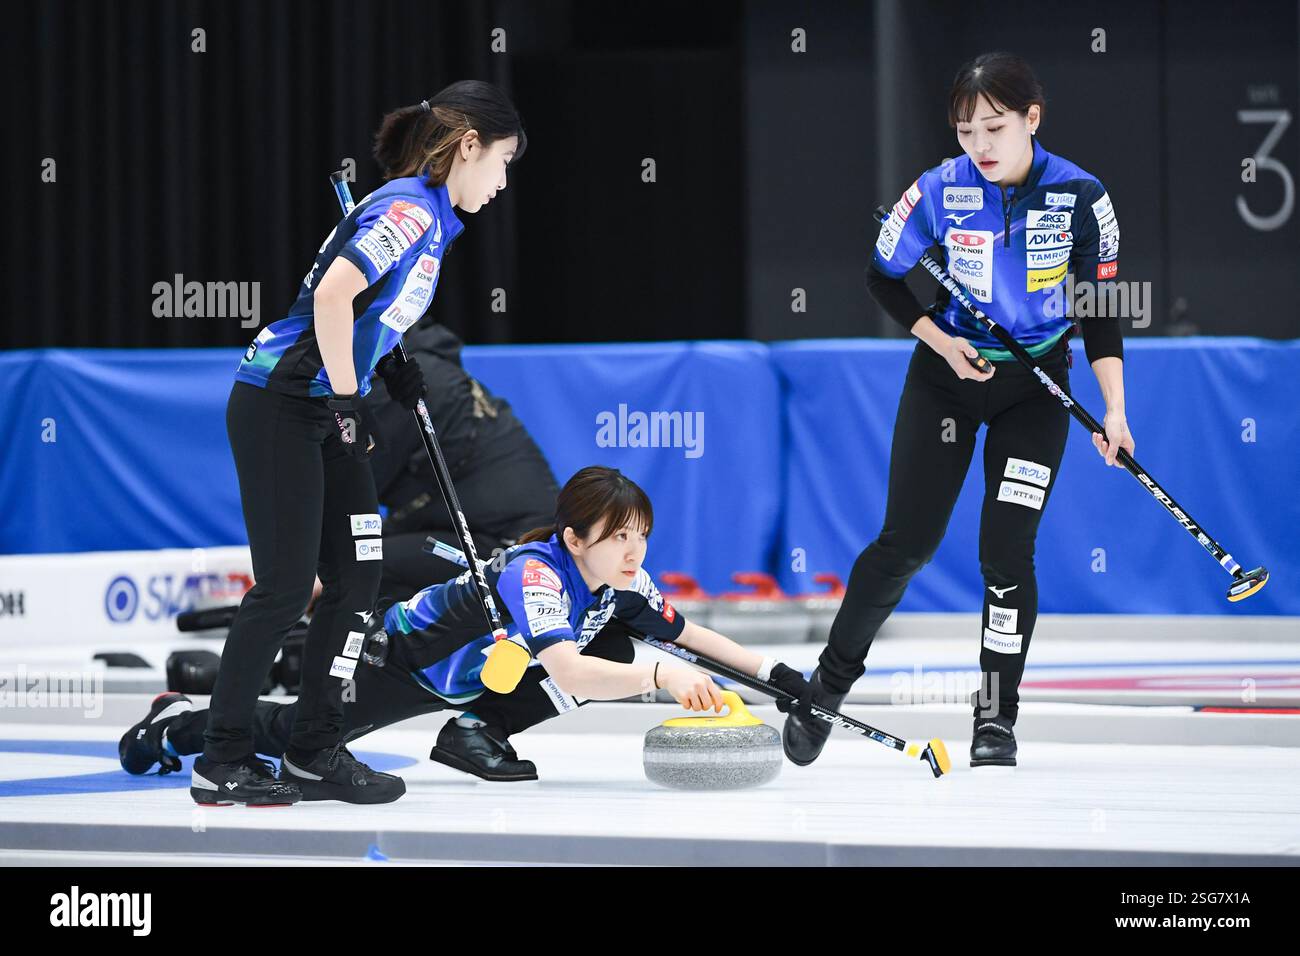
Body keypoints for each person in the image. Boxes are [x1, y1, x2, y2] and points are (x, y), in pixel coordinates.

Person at [784, 52, 1133, 769]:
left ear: (1033, 120)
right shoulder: (939, 191)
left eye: (995, 127)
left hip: (1037, 390)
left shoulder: (1081, 196)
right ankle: (827, 686)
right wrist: (941, 342)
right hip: (947, 381)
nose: (981, 144)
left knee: (1006, 556)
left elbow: (1100, 314)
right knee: (905, 545)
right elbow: (883, 278)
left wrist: (1115, 412)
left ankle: (996, 719)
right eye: (967, 129)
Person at [194, 80, 527, 806]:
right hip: (281, 402)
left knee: (358, 579)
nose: (503, 183)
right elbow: (330, 297)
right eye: (502, 162)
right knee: (285, 589)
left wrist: (390, 362)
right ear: (468, 147)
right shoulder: (408, 210)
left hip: (324, 406)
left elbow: (370, 309)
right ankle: (222, 756)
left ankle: (315, 746)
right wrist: (349, 395)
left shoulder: (431, 219)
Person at [122, 466, 814, 783]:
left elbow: (692, 634)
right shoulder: (536, 573)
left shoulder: (622, 583)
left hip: (458, 682)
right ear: (575, 538)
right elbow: (573, 671)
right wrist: (660, 674)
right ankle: (182, 721)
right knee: (294, 735)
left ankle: (477, 730)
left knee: (610, 641)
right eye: (619, 536)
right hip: (396, 658)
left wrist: (780, 678)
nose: (635, 551)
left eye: (642, 535)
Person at [365, 318, 559, 602]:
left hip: (509, 550)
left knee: (360, 562)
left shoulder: (404, 387)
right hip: (474, 528)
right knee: (362, 550)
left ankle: (376, 639)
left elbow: (356, 486)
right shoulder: (419, 368)